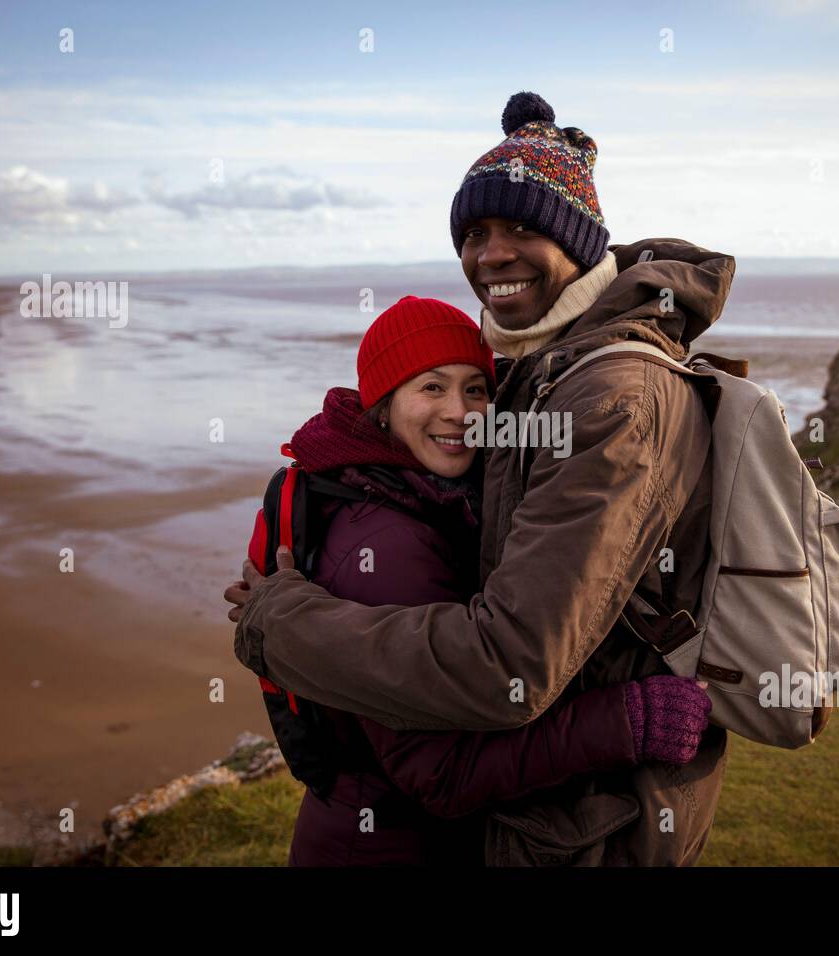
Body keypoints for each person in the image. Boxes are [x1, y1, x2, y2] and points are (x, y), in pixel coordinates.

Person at [228, 90, 736, 866]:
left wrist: (281, 624)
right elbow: (462, 727)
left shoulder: (607, 394)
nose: (491, 252)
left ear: (577, 240)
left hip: (591, 824)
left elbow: (509, 664)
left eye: (522, 227)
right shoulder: (522, 397)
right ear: (382, 405)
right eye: (474, 232)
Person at [251, 294, 712, 866]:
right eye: (431, 387)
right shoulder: (388, 542)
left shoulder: (429, 499)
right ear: (382, 404)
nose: (460, 411)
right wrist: (624, 721)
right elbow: (442, 772)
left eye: (476, 388)